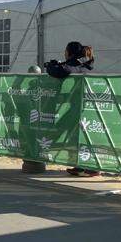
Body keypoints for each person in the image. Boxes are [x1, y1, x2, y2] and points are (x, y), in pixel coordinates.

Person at [46, 43, 99, 177]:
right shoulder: (82, 63)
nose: (64, 53)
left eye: (65, 51)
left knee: (83, 136)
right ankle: (80, 165)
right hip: (78, 106)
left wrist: (50, 67)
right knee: (76, 136)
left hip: (82, 106)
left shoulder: (77, 65)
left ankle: (90, 167)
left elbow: (60, 71)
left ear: (70, 53)